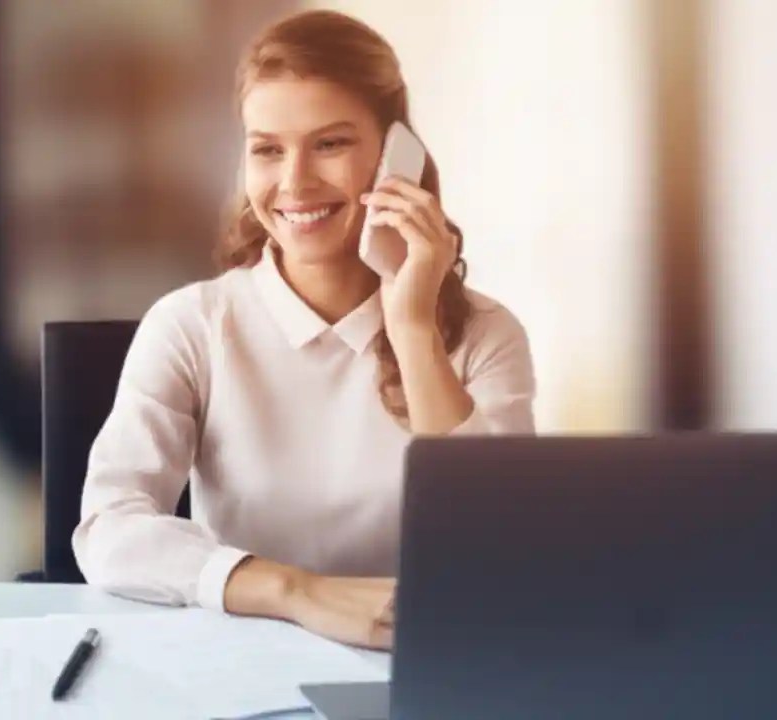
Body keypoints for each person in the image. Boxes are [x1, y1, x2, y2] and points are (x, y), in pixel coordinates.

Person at [72, 9, 536, 649]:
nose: (294, 183)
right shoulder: (192, 326)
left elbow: (508, 544)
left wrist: (411, 328)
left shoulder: (486, 334)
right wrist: (297, 592)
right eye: (267, 149)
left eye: (331, 144)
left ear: (397, 155)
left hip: (429, 658)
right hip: (240, 661)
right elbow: (110, 528)